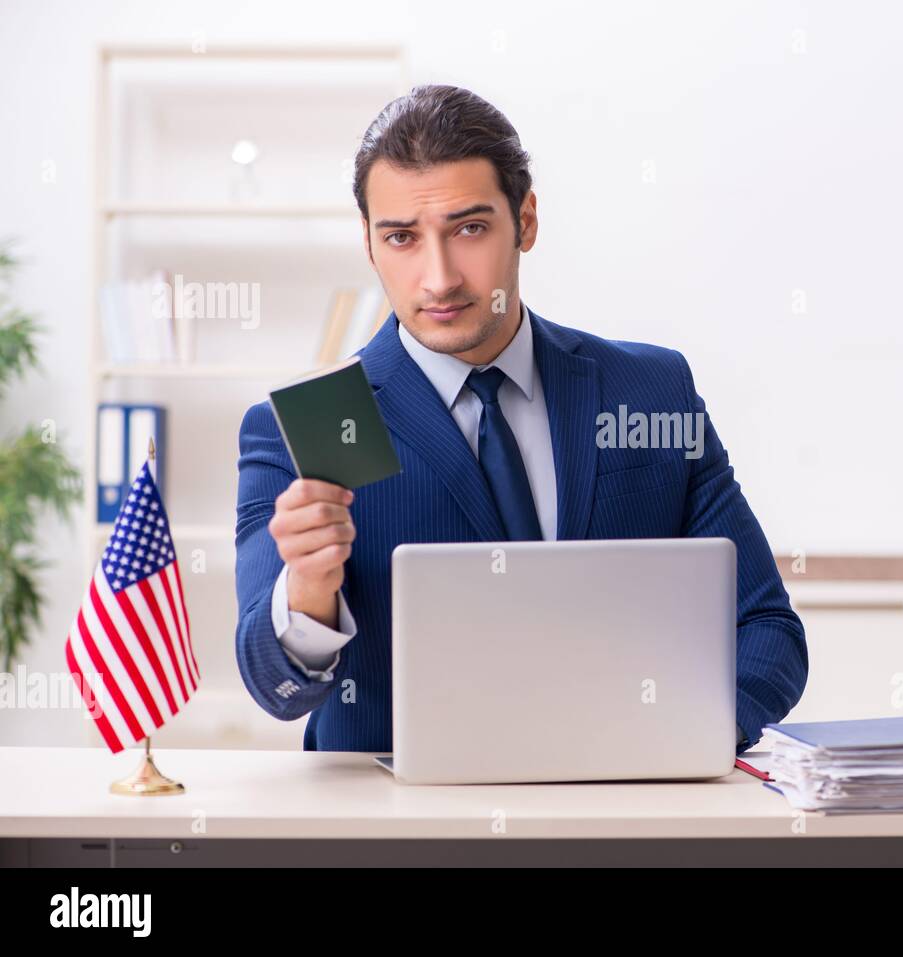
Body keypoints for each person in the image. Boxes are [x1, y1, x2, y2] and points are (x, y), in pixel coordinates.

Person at [234, 84, 806, 754]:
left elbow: (767, 627)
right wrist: (308, 592)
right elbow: (275, 688)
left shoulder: (650, 393)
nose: (439, 277)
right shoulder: (312, 427)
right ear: (369, 244)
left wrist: (678, 741)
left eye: (469, 229)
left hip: (625, 815)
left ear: (525, 221)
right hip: (404, 834)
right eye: (402, 238)